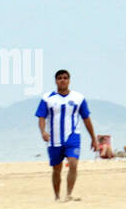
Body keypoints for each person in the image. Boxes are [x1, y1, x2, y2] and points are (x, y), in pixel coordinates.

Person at [35, 69, 98, 201]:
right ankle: (57, 196)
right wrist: (43, 132)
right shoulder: (47, 98)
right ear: (55, 81)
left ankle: (68, 194)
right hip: (54, 139)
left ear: (69, 80)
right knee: (57, 169)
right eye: (59, 78)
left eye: (65, 78)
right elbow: (41, 117)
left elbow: (86, 118)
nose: (62, 80)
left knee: (73, 164)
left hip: (73, 137)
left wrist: (93, 138)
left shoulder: (78, 98)